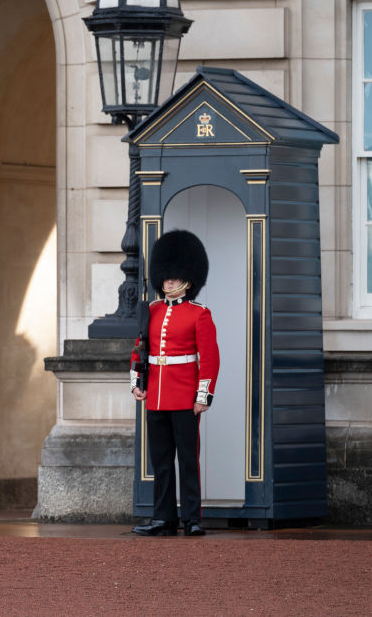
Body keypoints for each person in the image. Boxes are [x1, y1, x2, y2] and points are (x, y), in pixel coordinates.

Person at [130, 229, 220, 537]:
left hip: (184, 397)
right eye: (165, 276)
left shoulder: (199, 314)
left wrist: (203, 395)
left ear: (187, 279)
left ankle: (192, 519)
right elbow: (139, 348)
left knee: (188, 462)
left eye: (174, 276)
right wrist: (136, 384)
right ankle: (163, 518)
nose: (168, 281)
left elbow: (209, 359)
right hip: (155, 395)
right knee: (162, 462)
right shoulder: (152, 310)